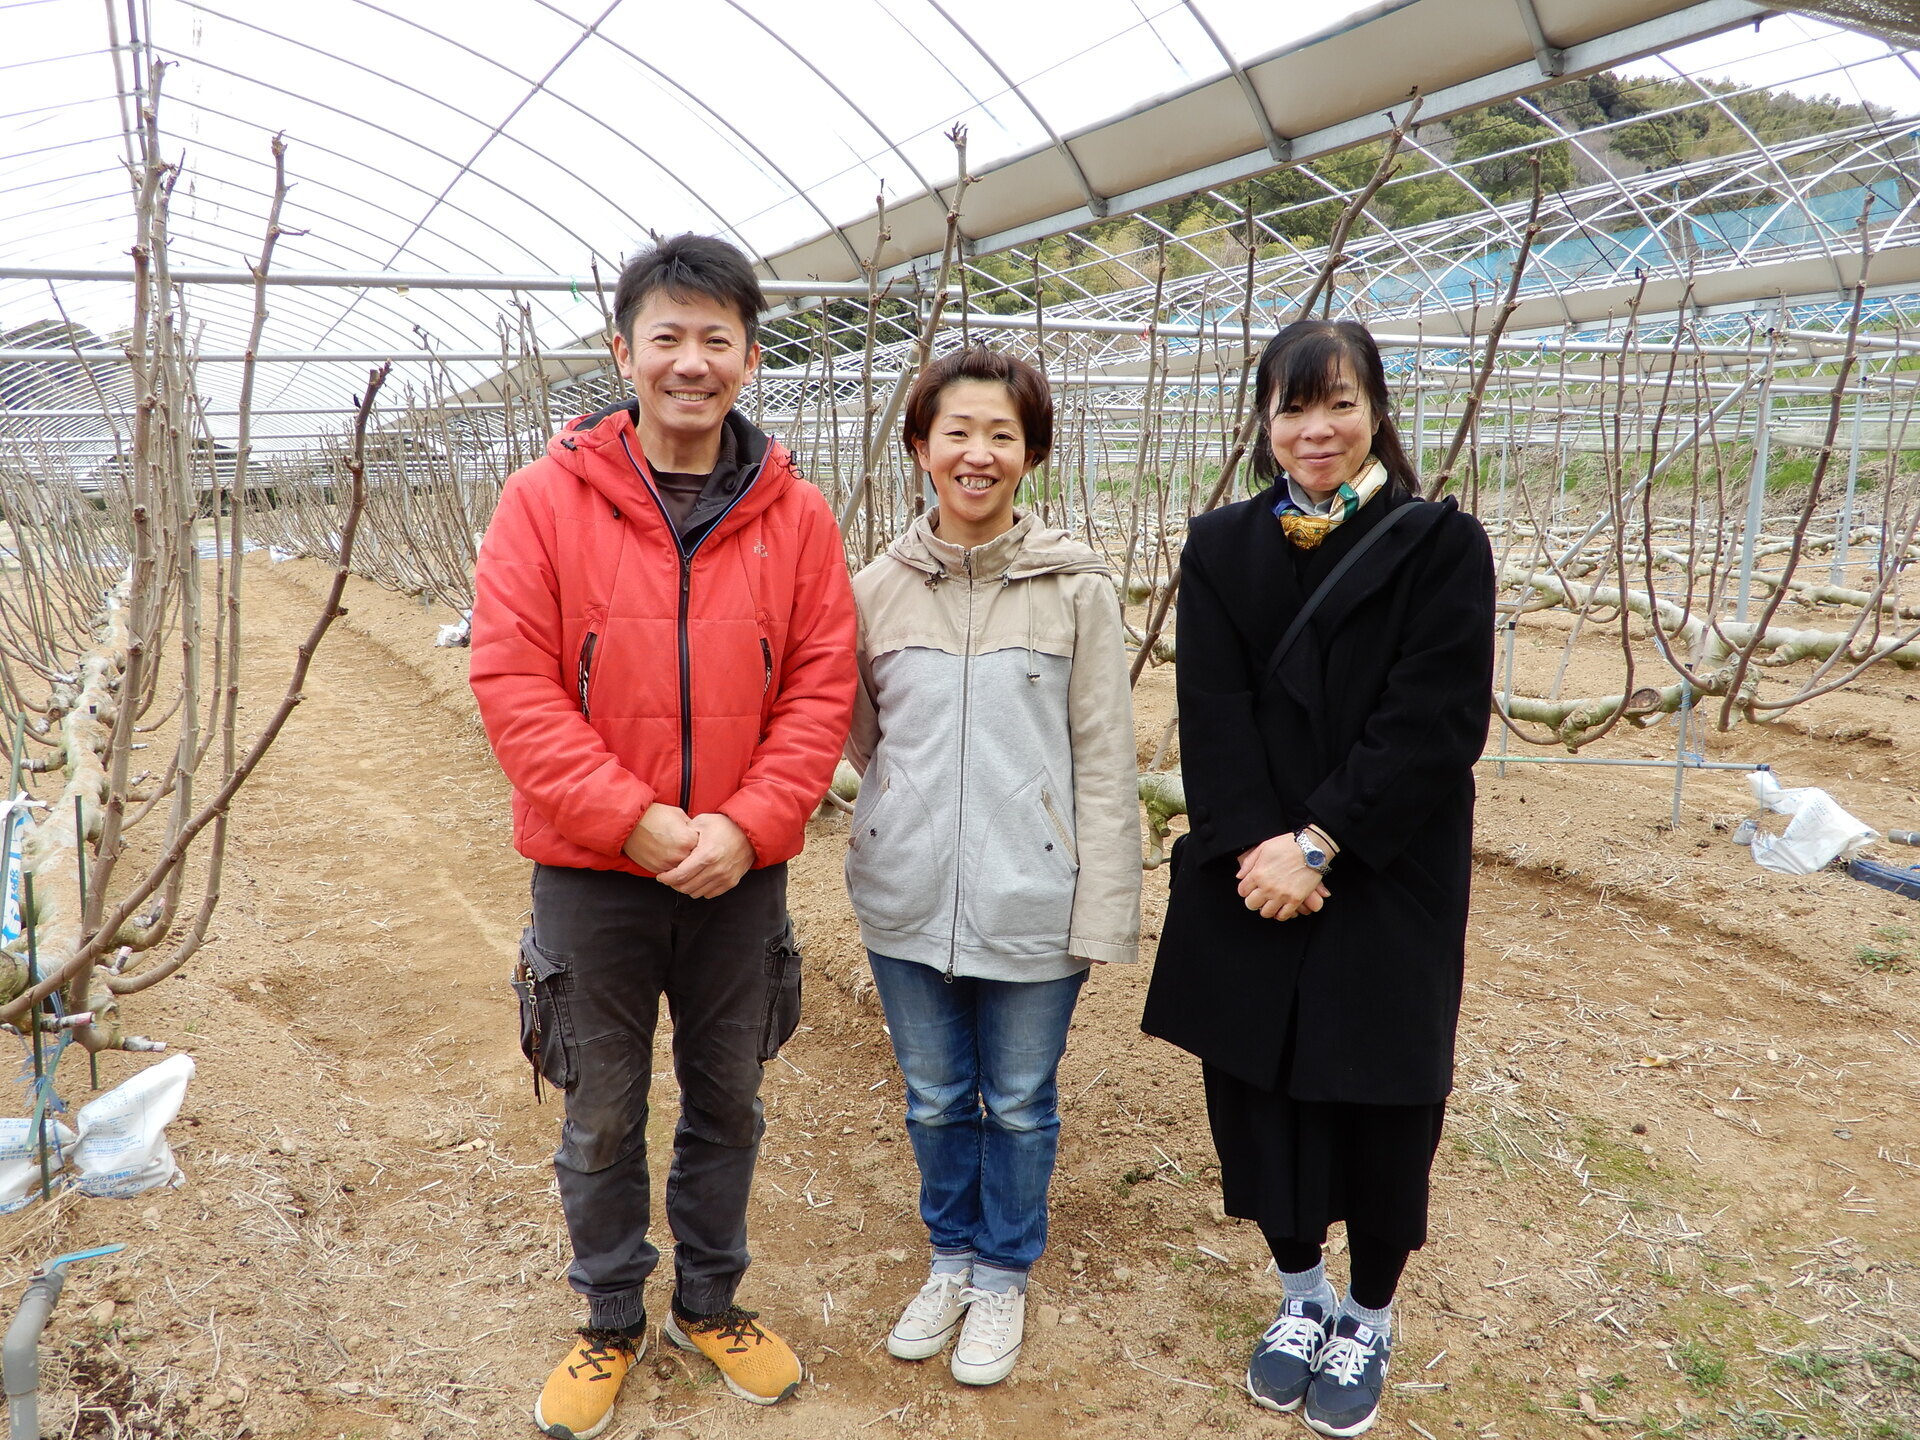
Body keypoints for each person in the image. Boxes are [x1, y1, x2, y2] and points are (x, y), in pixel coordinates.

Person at [470, 233, 856, 1439]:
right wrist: (634, 822)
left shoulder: (796, 518)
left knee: (729, 1098)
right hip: (596, 872)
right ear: (624, 349)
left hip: (742, 874)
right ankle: (608, 1316)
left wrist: (748, 826)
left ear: (749, 354)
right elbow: (513, 685)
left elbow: (821, 687)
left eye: (717, 339)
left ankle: (713, 1298)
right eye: (668, 337)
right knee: (598, 1104)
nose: (692, 363)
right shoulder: (543, 502)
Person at [1141, 320, 1494, 1437]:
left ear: (1377, 408)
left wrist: (1319, 844)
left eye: (1338, 403)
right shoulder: (1222, 546)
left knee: (1384, 1093)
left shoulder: (1438, 545)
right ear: (1264, 424)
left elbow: (1432, 723)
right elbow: (1214, 711)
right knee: (1260, 1090)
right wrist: (1257, 846)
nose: (1317, 430)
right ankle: (1301, 1297)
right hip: (1250, 868)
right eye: (1293, 410)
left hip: (1386, 869)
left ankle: (1372, 1311)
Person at [843, 346, 1141, 1387]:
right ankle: (949, 1260)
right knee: (933, 1096)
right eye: (957, 433)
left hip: (1034, 900)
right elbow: (866, 740)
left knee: (1017, 1100)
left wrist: (1101, 906)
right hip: (907, 898)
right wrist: (898, 827)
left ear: (1032, 454)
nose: (978, 453)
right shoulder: (873, 589)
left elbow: (1105, 760)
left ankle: (1003, 1275)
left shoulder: (1077, 590)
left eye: (1002, 435)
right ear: (921, 448)